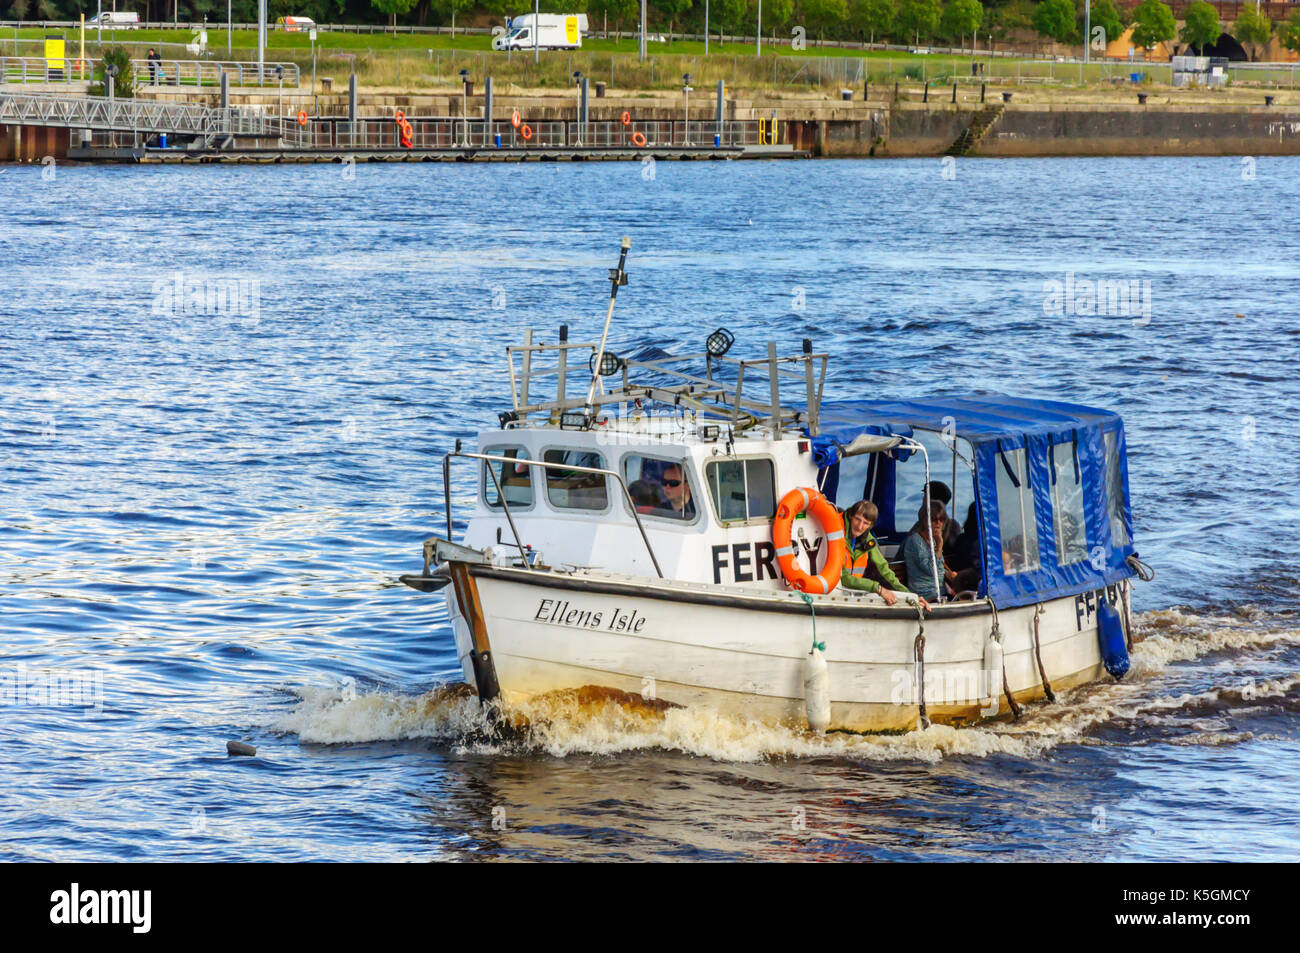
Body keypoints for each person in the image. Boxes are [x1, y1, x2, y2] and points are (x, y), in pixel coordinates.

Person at [840, 500, 931, 611]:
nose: (860, 526)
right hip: (835, 594)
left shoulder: (868, 540)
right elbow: (842, 577)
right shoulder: (836, 534)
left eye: (865, 523)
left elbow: (884, 570)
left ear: (870, 526)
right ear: (850, 516)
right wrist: (879, 589)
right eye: (857, 519)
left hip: (853, 594)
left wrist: (912, 596)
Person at [905, 500, 957, 603]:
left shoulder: (933, 540)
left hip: (940, 592)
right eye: (933, 519)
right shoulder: (915, 541)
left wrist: (948, 574)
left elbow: (939, 567)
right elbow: (931, 569)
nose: (938, 523)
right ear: (924, 520)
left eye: (941, 519)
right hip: (925, 595)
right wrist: (940, 544)